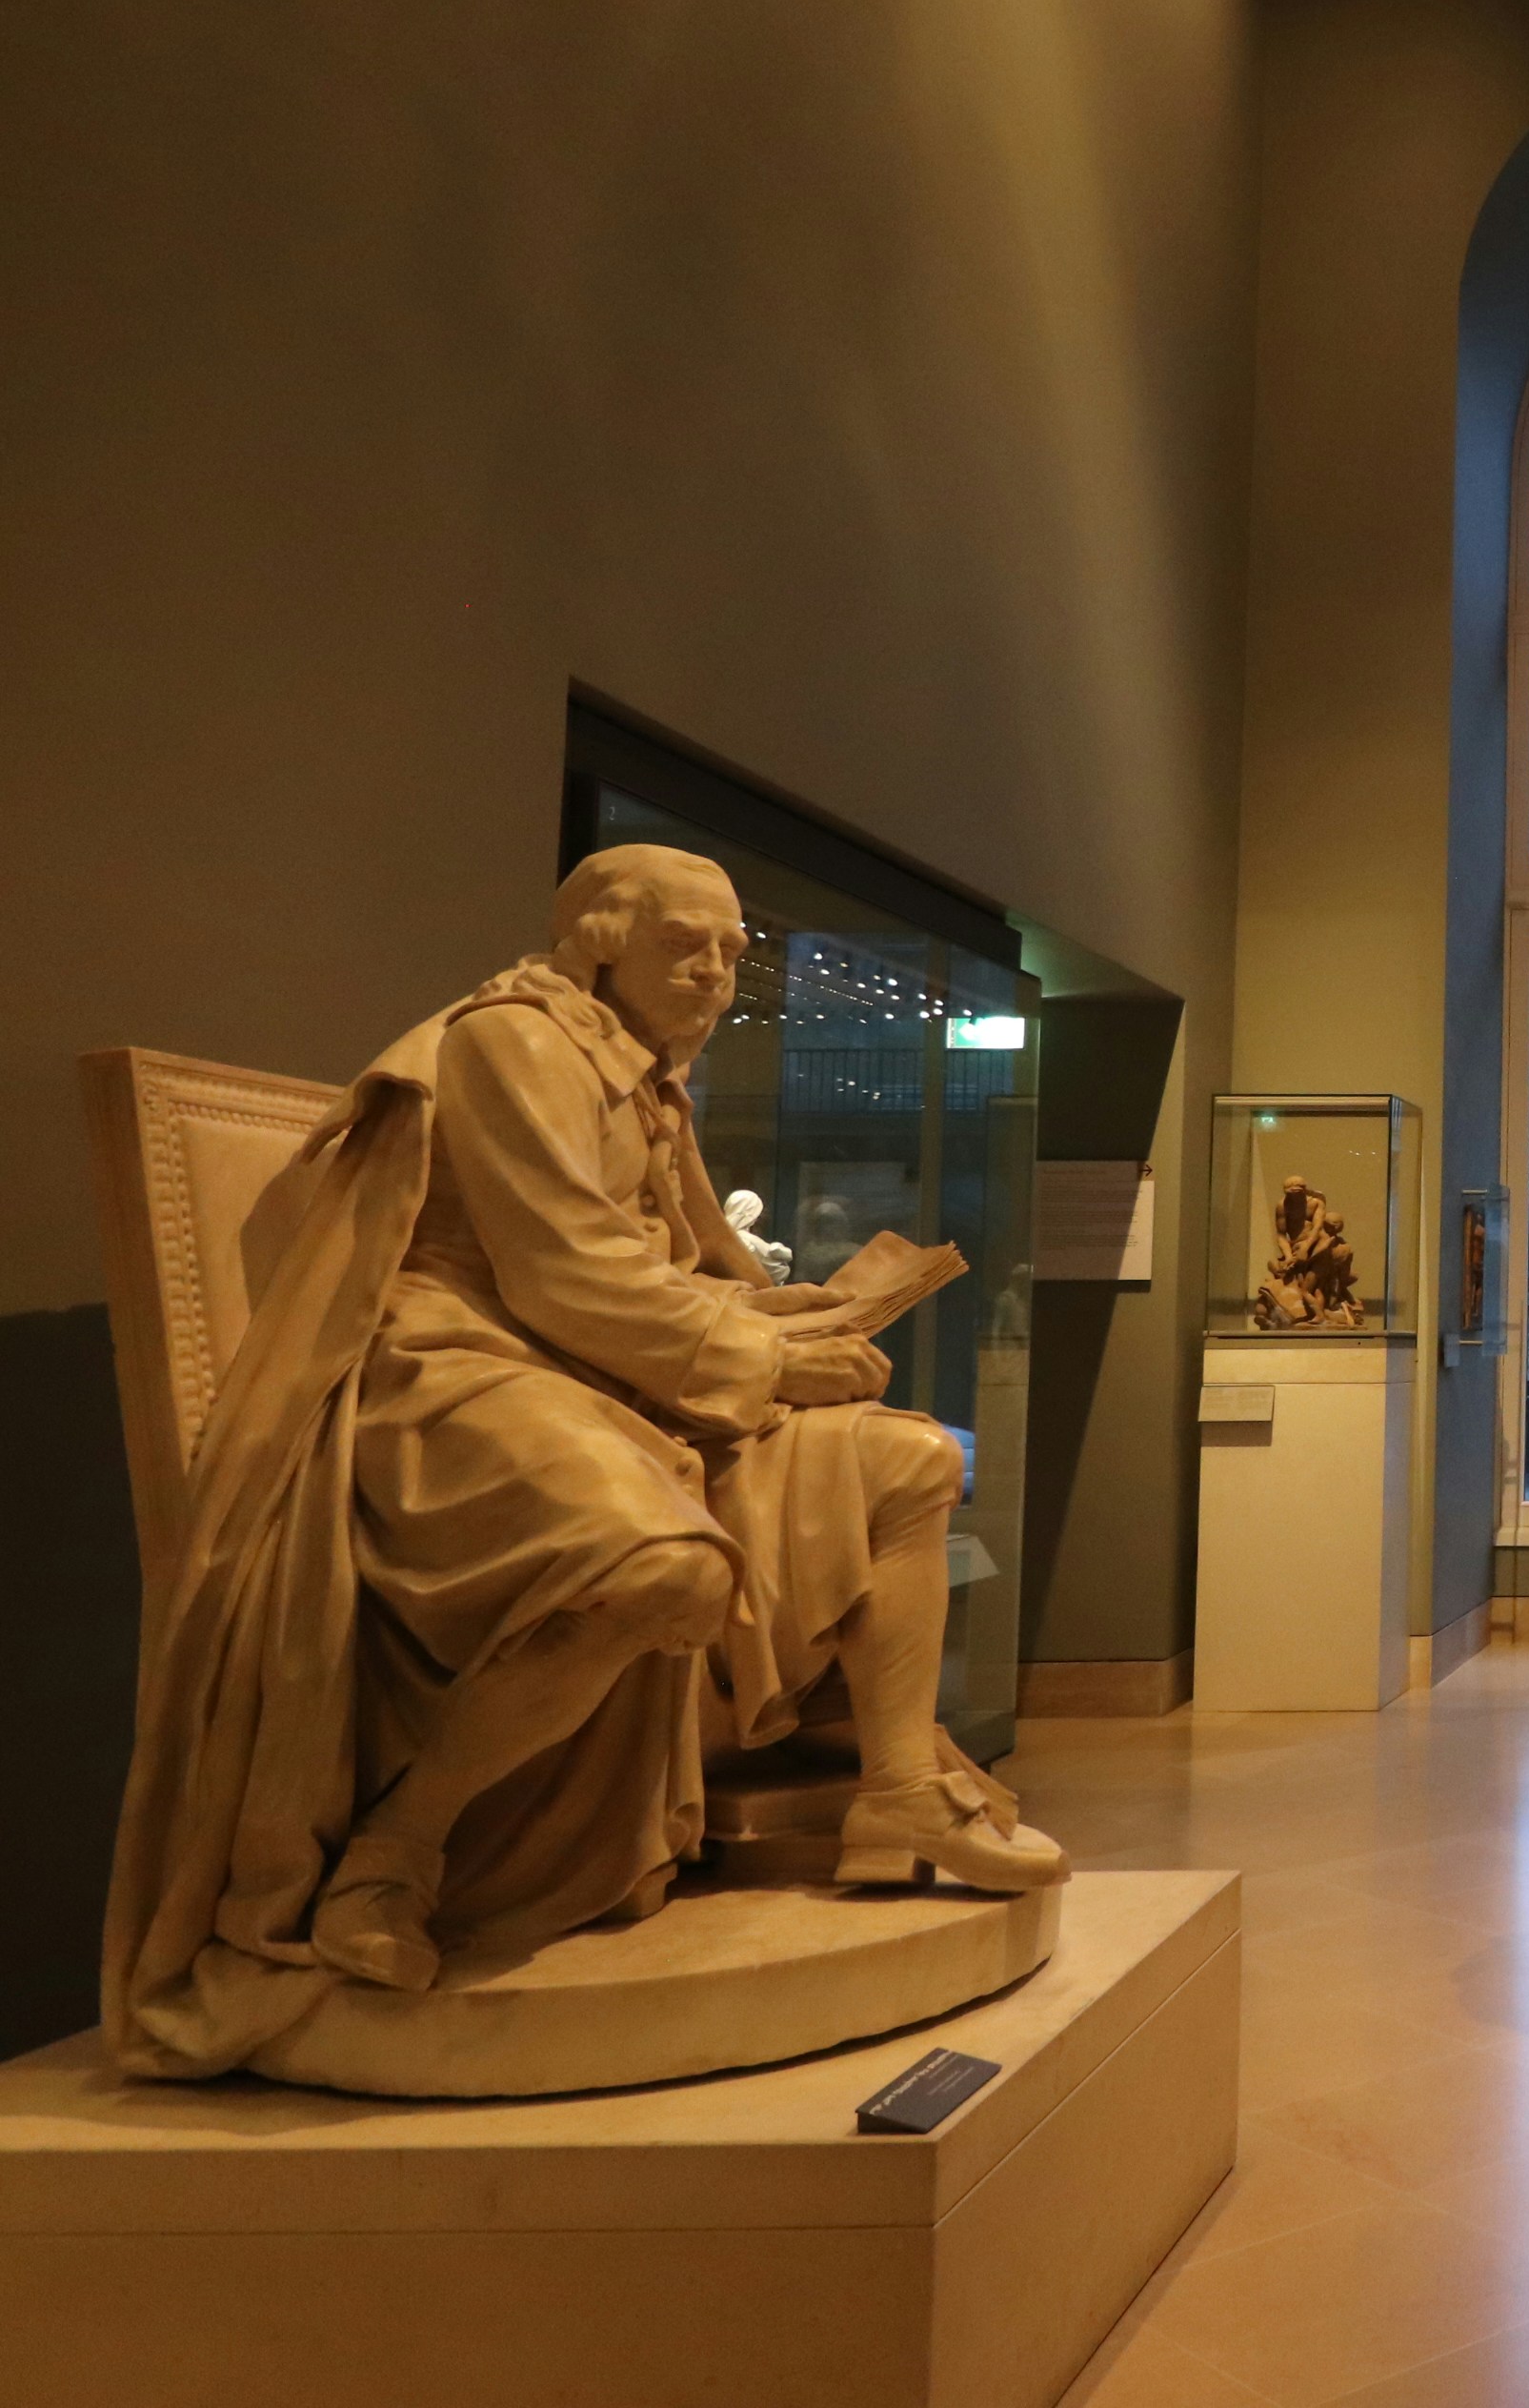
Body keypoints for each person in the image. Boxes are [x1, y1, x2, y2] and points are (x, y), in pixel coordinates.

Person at [105, 846, 1060, 2079]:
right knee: (661, 1572)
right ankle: (395, 1854)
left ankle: (899, 1799)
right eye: (687, 947)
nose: (716, 976)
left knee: (908, 1463)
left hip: (602, 1370)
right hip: (458, 1371)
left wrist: (811, 1316)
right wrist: (764, 1365)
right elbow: (560, 1271)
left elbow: (689, 1265)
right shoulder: (516, 1044)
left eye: (730, 952)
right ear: (601, 941)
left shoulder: (649, 1085)